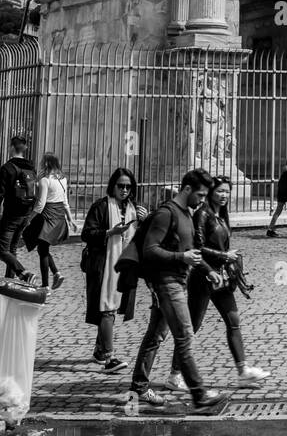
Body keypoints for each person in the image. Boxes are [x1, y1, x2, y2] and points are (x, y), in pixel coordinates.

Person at [128, 169, 224, 413]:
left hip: (178, 281)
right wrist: (181, 257)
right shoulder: (165, 214)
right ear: (187, 189)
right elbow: (150, 250)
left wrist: (207, 269)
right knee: (185, 336)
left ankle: (139, 385)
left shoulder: (186, 214)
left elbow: (192, 249)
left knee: (156, 336)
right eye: (201, 195)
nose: (203, 200)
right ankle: (199, 394)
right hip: (167, 284)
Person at [168, 177, 269, 391]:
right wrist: (224, 256)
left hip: (222, 276)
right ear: (212, 191)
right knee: (192, 327)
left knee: (233, 320)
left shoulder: (222, 213)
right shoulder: (203, 214)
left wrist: (229, 262)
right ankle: (175, 375)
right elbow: (198, 246)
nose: (224, 195)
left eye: (227, 192)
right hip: (204, 276)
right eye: (220, 191)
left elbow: (225, 242)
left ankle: (243, 372)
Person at [81, 168, 149, 373]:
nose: (125, 190)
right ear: (113, 186)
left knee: (110, 309)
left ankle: (100, 350)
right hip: (103, 265)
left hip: (122, 265)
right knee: (107, 309)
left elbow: (142, 237)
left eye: (129, 186)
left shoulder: (133, 208)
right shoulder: (101, 206)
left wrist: (145, 220)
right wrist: (110, 232)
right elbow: (87, 233)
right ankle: (109, 358)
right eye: (121, 186)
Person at [24, 153, 77, 289]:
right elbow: (65, 202)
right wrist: (71, 220)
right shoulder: (63, 179)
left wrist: (29, 219)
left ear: (46, 163)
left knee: (42, 250)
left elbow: (40, 204)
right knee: (43, 249)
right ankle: (56, 273)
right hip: (58, 217)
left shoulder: (45, 180)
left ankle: (46, 285)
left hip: (47, 218)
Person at [0, 135, 38, 283]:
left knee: (2, 250)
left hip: (11, 215)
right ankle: (9, 281)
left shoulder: (7, 168)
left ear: (11, 148)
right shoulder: (30, 167)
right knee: (12, 249)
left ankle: (24, 273)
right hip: (25, 214)